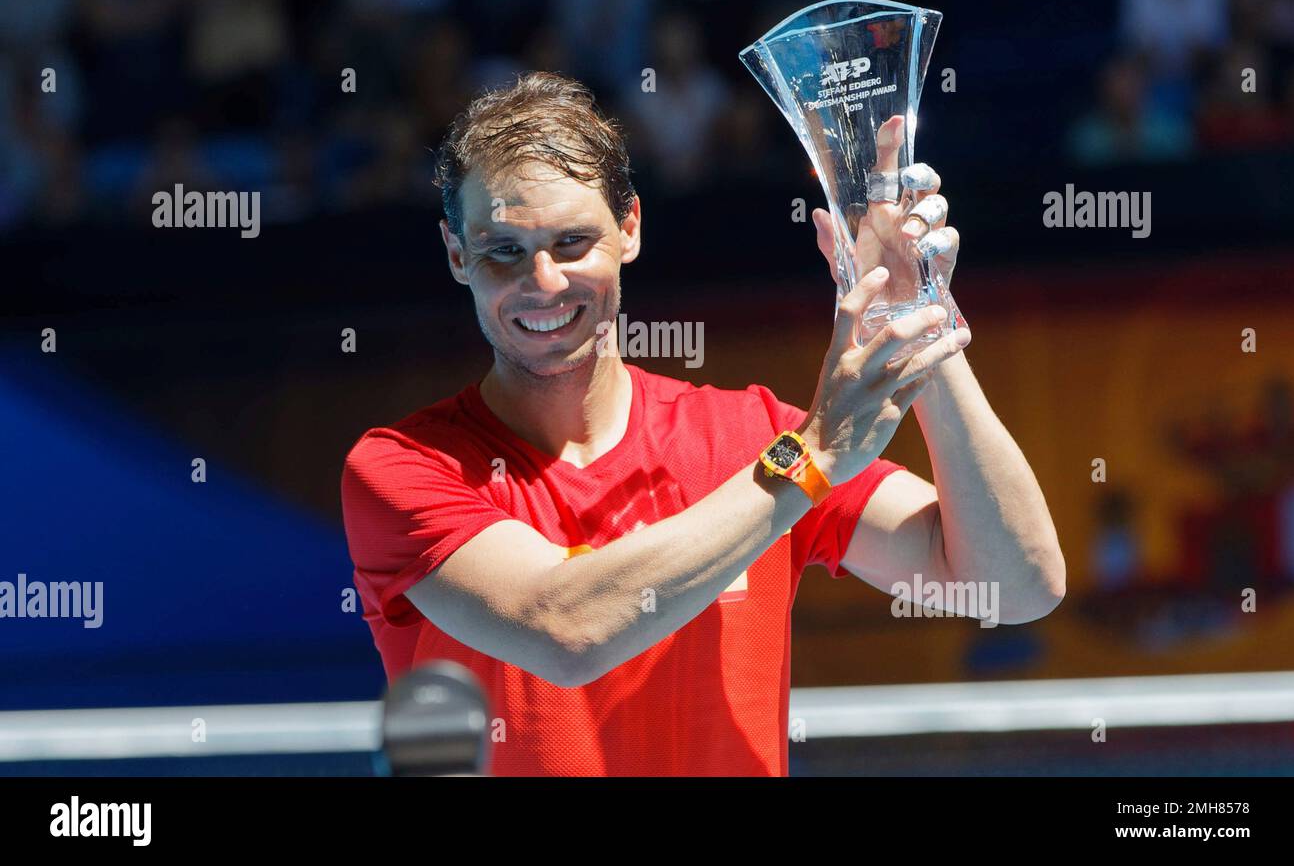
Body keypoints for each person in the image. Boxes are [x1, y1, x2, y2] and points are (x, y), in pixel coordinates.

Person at [341, 71, 1064, 775]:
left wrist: (912, 309)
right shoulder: (401, 467)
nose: (545, 282)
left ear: (629, 228)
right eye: (505, 250)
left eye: (571, 243)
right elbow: (563, 630)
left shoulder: (749, 435)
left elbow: (1016, 586)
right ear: (457, 253)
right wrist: (810, 457)